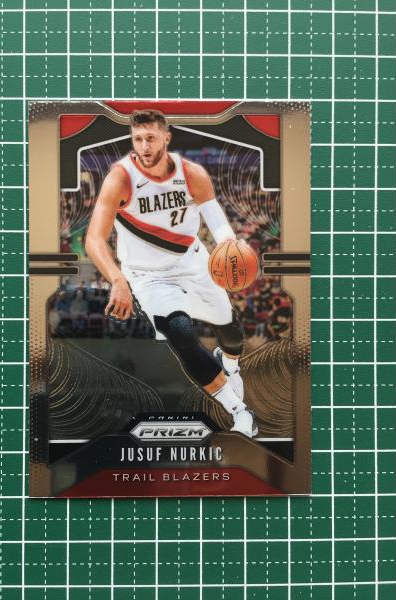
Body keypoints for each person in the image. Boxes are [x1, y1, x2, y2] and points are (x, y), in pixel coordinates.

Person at [85, 109, 257, 437]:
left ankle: (231, 365)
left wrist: (229, 246)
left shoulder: (191, 173)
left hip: (193, 262)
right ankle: (238, 410)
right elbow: (94, 238)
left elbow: (216, 219)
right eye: (138, 139)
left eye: (150, 138)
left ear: (166, 138)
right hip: (148, 275)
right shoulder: (120, 178)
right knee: (180, 335)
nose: (144, 146)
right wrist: (118, 279)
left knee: (232, 333)